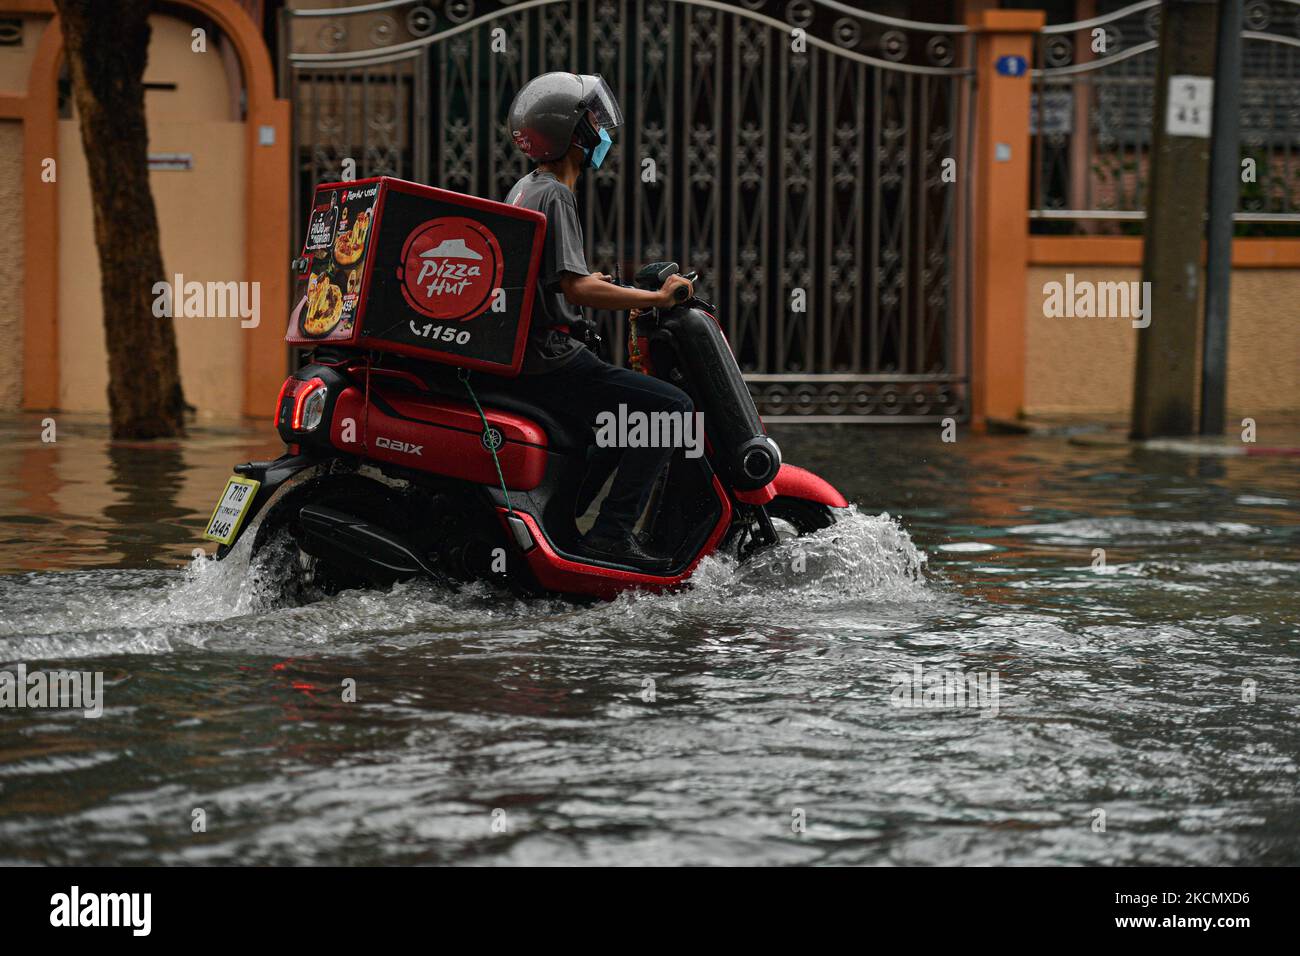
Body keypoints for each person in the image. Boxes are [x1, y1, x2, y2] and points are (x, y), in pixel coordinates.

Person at [504, 72, 694, 571]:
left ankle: (562, 523)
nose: (602, 132)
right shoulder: (556, 195)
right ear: (575, 135)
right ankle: (611, 533)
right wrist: (655, 294)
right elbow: (576, 288)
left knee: (615, 425)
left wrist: (611, 287)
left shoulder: (527, 187)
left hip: (530, 354)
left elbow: (557, 276)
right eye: (594, 124)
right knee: (670, 409)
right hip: (550, 358)